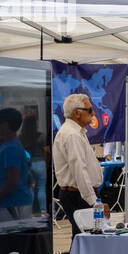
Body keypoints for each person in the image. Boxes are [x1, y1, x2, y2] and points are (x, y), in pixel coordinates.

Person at [52, 93, 103, 237]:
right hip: (78, 194)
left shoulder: (76, 132)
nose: (93, 113)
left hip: (79, 194)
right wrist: (94, 202)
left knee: (83, 238)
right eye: (89, 110)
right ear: (76, 113)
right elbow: (79, 170)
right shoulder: (72, 134)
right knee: (86, 238)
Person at [0, 108, 34, 222]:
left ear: (5, 125)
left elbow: (12, 181)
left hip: (13, 203)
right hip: (12, 201)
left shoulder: (11, 148)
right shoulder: (10, 145)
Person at [21, 108, 48, 216]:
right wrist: (46, 162)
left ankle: (30, 211)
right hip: (40, 163)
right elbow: (47, 151)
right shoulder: (41, 136)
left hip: (28, 164)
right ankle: (43, 211)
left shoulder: (21, 137)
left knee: (30, 188)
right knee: (41, 188)